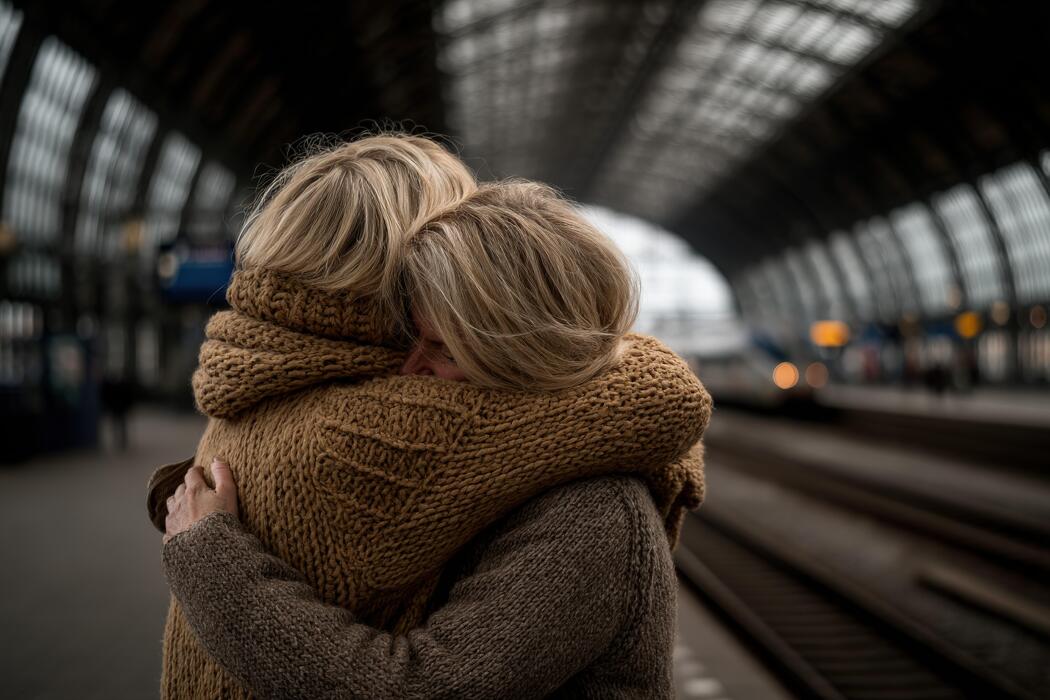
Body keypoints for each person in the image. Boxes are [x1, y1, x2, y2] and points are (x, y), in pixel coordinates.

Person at [149, 135, 710, 699]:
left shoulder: (595, 511)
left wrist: (213, 565)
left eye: (443, 347)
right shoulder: (400, 437)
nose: (412, 368)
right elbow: (648, 400)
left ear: (515, 350)